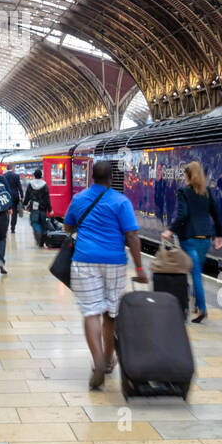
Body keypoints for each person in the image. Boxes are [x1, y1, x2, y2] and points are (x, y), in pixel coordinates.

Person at [64, 161, 146, 390]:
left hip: (84, 261)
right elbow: (132, 236)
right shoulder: (121, 201)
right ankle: (109, 361)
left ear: (91, 177)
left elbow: (67, 227)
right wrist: (140, 269)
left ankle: (98, 359)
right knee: (112, 312)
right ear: (111, 179)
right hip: (115, 262)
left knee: (91, 312)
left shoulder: (79, 199)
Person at [162, 160, 222, 324]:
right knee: (197, 272)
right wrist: (219, 235)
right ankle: (197, 306)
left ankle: (202, 308)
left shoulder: (183, 191)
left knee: (195, 273)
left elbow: (182, 215)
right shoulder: (206, 192)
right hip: (205, 239)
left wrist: (170, 230)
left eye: (184, 174)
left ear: (189, 176)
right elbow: (215, 214)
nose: (183, 177)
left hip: (189, 238)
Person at [23, 168, 52, 247]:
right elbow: (47, 198)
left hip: (34, 208)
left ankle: (38, 235)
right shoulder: (45, 185)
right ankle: (41, 241)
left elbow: (27, 196)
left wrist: (24, 204)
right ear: (41, 176)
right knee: (42, 224)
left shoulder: (31, 184)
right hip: (43, 208)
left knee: (35, 223)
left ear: (34, 176)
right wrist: (50, 209)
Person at [2, 165, 23, 235]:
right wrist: (22, 195)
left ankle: (6, 227)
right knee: (14, 213)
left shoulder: (3, 176)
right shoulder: (16, 176)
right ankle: (13, 228)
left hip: (6, 197)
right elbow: (19, 186)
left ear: (6, 168)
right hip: (15, 196)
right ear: (12, 168)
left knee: (6, 212)